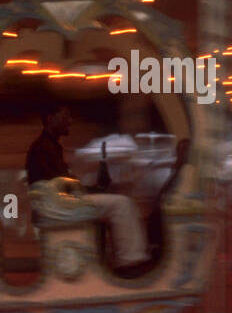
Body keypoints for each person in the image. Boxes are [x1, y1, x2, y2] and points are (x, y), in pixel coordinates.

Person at [25, 106, 151, 272]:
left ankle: (122, 257)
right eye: (65, 117)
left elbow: (64, 183)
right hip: (58, 205)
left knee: (116, 203)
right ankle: (130, 260)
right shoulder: (44, 147)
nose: (69, 121)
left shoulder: (48, 146)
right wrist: (94, 189)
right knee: (121, 204)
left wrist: (94, 188)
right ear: (50, 119)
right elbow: (63, 185)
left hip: (57, 202)